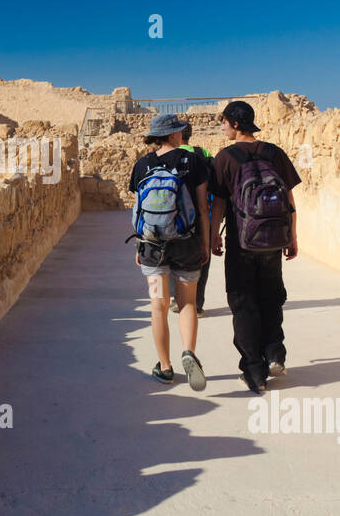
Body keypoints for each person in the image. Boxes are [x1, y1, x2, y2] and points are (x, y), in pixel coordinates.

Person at [208, 100, 301, 393]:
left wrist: (214, 236)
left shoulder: (225, 157)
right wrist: (292, 237)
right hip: (273, 241)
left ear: (236, 124)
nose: (221, 127)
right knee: (272, 297)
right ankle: (275, 353)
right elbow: (290, 202)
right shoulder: (275, 153)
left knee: (244, 303)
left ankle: (254, 371)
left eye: (223, 122)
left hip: (242, 242)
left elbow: (220, 203)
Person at [128, 113, 211, 390]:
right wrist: (206, 242)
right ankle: (189, 352)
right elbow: (201, 208)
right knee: (187, 302)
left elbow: (139, 208)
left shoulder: (142, 165)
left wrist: (140, 244)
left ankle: (164, 367)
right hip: (187, 243)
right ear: (175, 135)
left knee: (158, 305)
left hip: (152, 246)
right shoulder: (194, 161)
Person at [176, 122, 214, 315]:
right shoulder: (204, 154)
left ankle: (179, 300)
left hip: (176, 217)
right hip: (201, 215)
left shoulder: (169, 155)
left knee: (176, 257)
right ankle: (197, 304)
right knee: (202, 259)